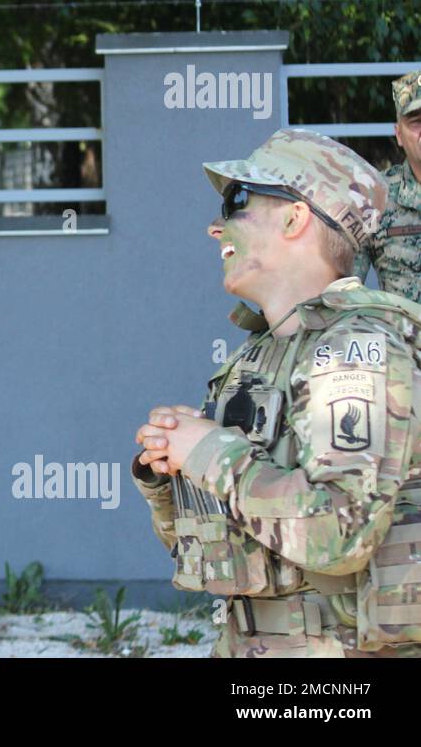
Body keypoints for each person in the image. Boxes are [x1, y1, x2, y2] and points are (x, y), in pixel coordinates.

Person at [132, 128, 421, 657]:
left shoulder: (355, 348)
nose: (216, 226)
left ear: (295, 219)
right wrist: (172, 474)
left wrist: (210, 452)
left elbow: (341, 534)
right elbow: (228, 545)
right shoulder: (258, 355)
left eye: (237, 201)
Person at [354, 70, 421, 298]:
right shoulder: (374, 197)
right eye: (416, 122)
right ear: (399, 134)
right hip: (402, 333)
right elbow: (343, 290)